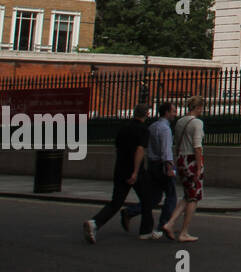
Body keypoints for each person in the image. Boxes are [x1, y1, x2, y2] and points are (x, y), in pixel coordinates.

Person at [83, 103, 154, 244]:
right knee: (148, 199)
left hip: (120, 169)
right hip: (135, 172)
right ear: (147, 114)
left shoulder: (123, 128)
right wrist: (135, 171)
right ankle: (145, 231)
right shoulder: (143, 130)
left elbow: (117, 148)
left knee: (116, 202)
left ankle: (94, 223)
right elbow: (140, 150)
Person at [121, 101, 178, 239]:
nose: (175, 114)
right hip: (163, 165)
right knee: (171, 196)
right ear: (166, 112)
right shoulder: (165, 129)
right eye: (173, 111)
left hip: (152, 164)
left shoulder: (152, 126)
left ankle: (130, 212)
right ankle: (162, 226)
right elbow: (165, 150)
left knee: (154, 197)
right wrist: (169, 167)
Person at [163, 96, 205, 243]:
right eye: (202, 107)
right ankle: (184, 232)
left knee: (187, 194)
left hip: (180, 159)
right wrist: (199, 168)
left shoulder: (180, 121)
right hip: (192, 160)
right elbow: (197, 147)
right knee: (194, 197)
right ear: (198, 107)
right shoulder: (197, 123)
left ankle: (170, 223)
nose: (202, 110)